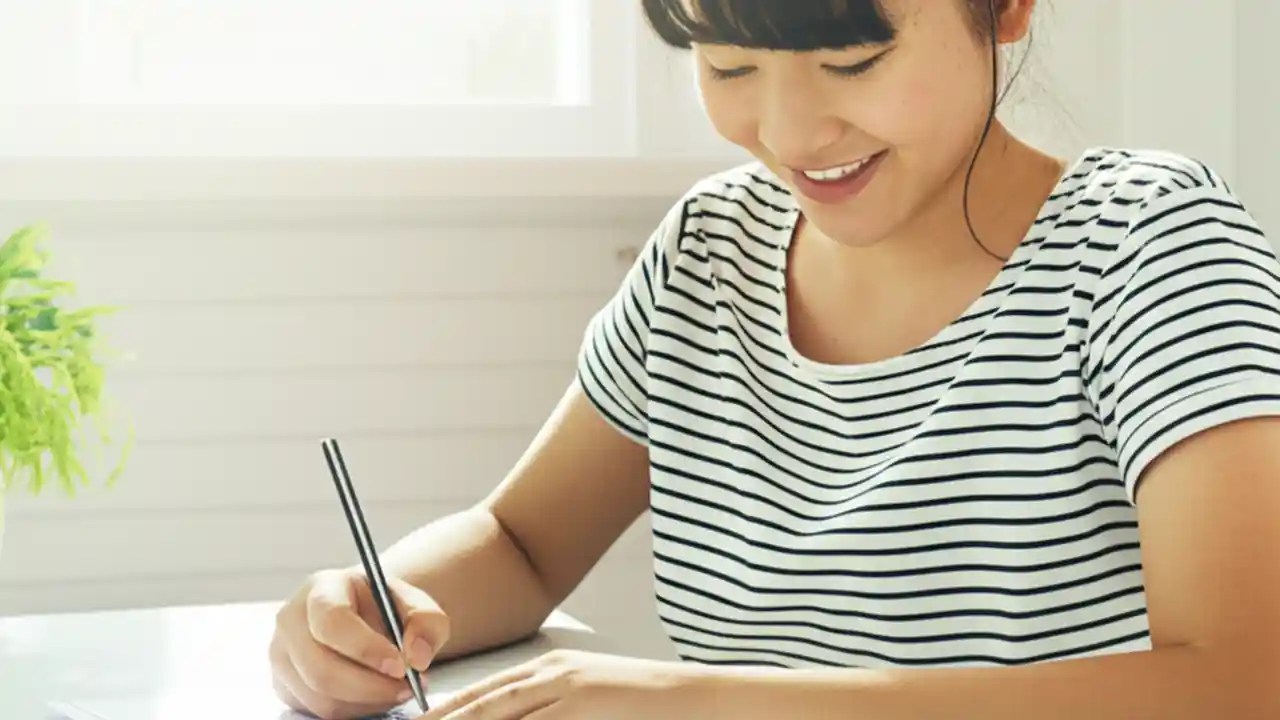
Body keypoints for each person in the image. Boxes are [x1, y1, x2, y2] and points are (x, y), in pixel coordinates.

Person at [269, 1, 1280, 718]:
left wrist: (701, 703)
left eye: (850, 61)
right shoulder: (709, 249)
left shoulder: (1144, 248)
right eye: (728, 66)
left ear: (1005, 7)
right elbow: (521, 544)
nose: (789, 132)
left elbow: (1241, 685)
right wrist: (372, 605)